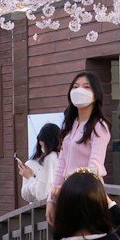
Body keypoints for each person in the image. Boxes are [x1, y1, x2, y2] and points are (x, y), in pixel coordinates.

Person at [49, 71, 111, 209]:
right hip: (69, 195)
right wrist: (50, 200)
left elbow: (94, 167)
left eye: (86, 87)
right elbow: (61, 166)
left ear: (95, 95)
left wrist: (67, 187)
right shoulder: (71, 126)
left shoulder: (99, 126)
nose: (79, 90)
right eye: (75, 86)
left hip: (89, 194)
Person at [19, 123, 64, 205]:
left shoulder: (53, 158)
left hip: (44, 209)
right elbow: (26, 195)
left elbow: (42, 194)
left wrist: (30, 178)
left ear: (41, 142)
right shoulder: (31, 164)